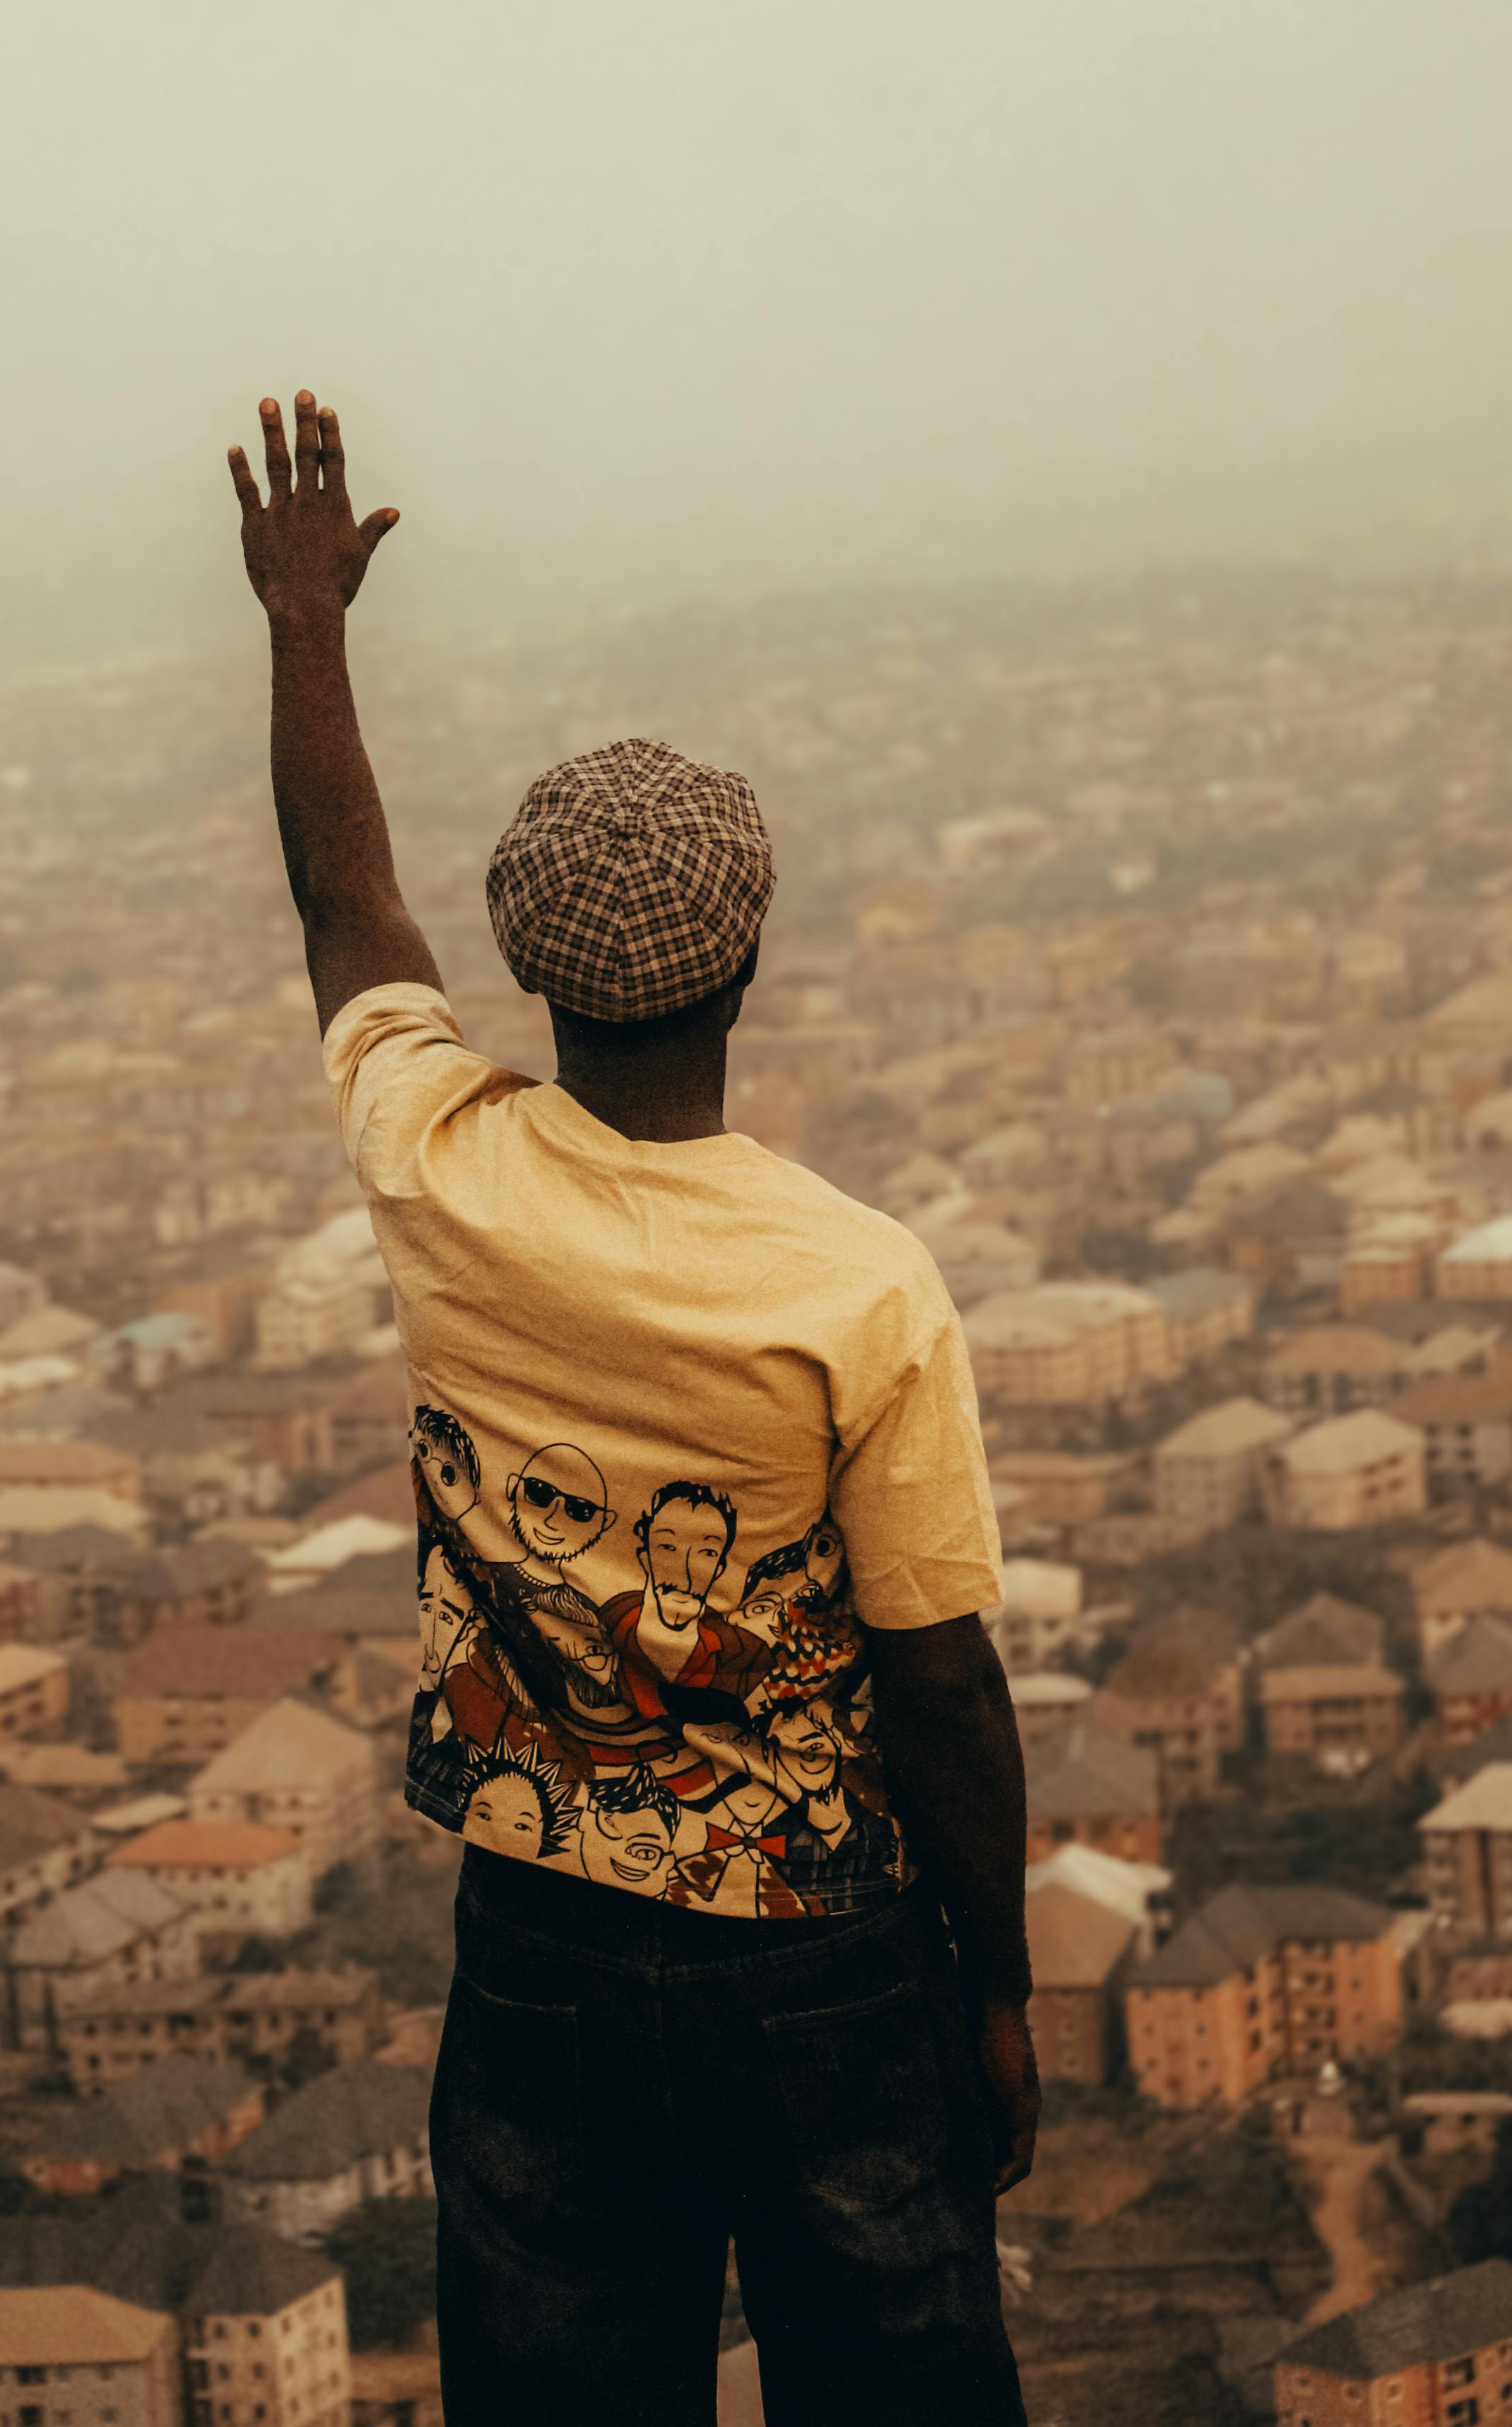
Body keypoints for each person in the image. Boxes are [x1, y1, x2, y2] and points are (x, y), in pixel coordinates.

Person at [227, 386, 1036, 2427]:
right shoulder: (854, 1283)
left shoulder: (445, 1163)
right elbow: (938, 1683)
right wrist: (998, 1993)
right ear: (744, 963)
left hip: (547, 1946)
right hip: (827, 1955)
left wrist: (300, 620)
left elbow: (345, 909)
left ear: (531, 967)